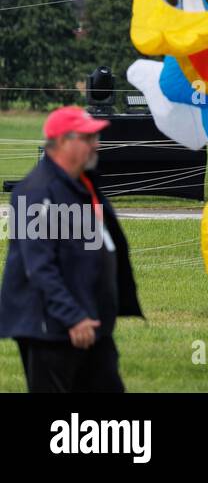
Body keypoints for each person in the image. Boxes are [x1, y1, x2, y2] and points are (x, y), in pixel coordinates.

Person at [0, 106, 141, 391]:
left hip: (89, 320)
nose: (96, 145)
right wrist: (72, 317)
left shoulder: (82, 184)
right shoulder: (36, 191)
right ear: (64, 141)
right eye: (88, 138)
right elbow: (39, 266)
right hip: (51, 328)